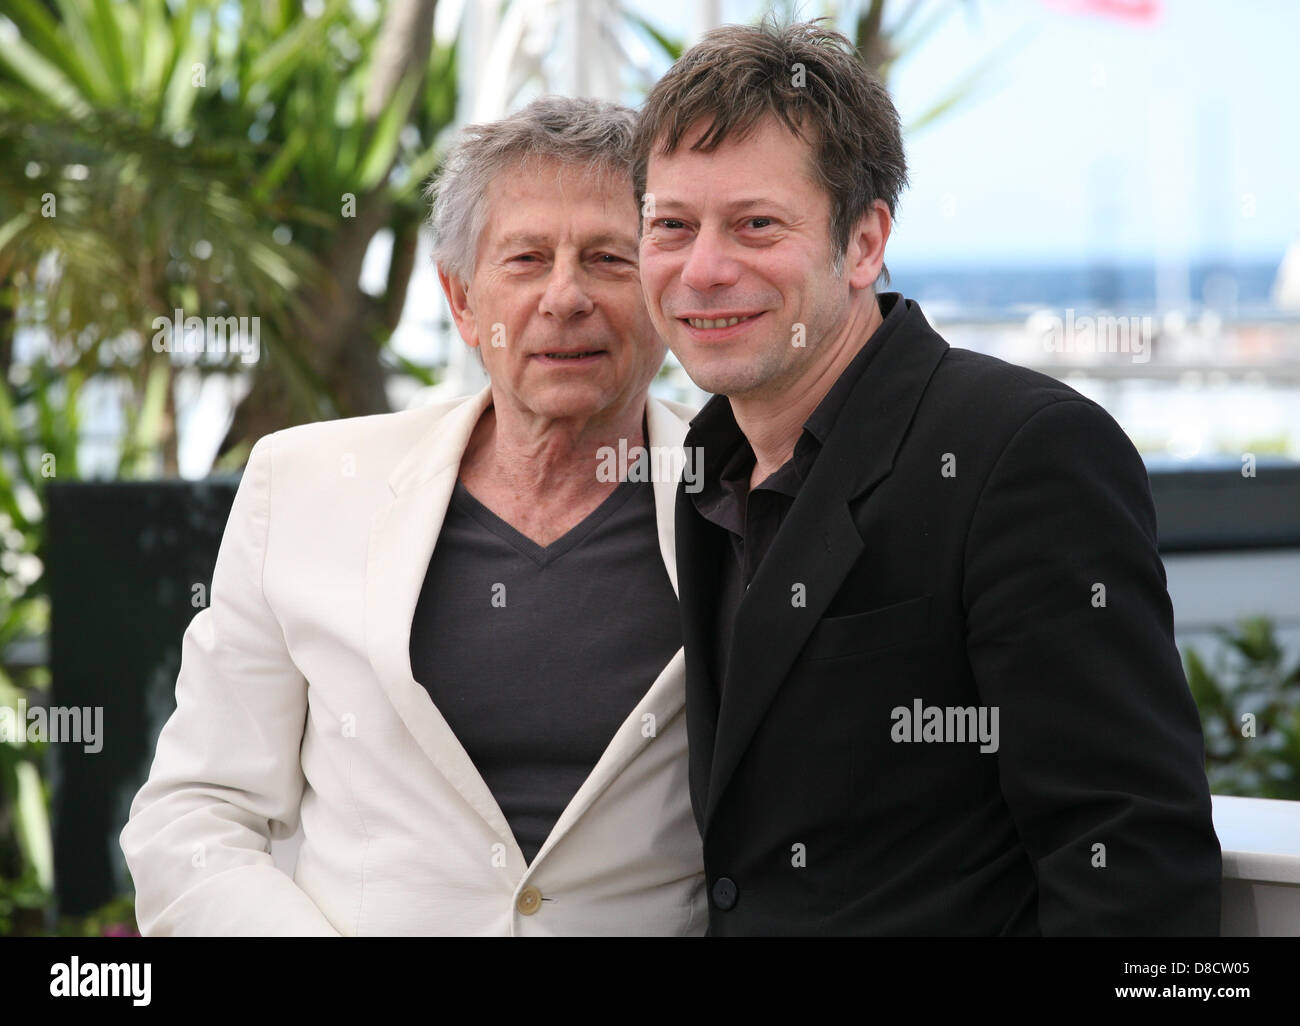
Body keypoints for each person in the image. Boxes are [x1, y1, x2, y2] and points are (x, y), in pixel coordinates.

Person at [632, 17, 1222, 935]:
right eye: (671, 226)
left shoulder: (1025, 452)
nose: (703, 269)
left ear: (865, 244)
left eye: (755, 224)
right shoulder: (705, 466)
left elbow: (1131, 854)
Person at [120, 96, 706, 935]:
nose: (566, 296)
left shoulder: (748, 503)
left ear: (659, 291)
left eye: (608, 258)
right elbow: (196, 815)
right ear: (462, 302)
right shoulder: (305, 485)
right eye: (527, 258)